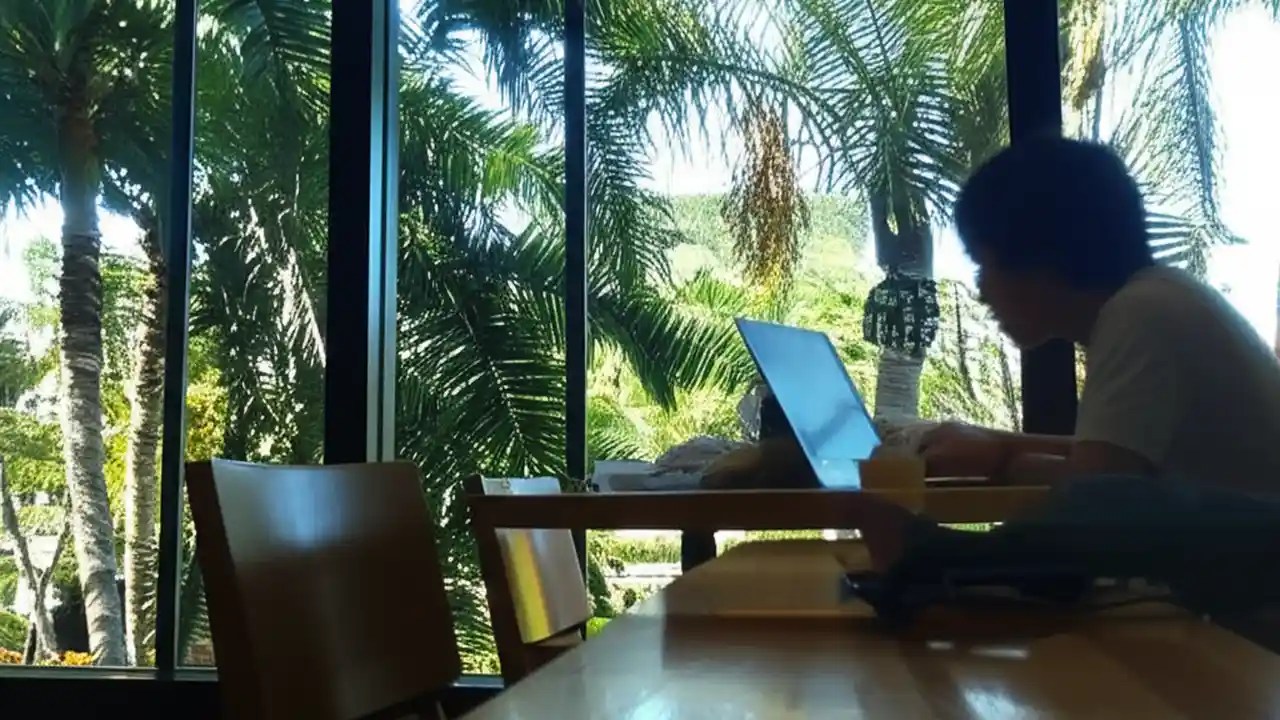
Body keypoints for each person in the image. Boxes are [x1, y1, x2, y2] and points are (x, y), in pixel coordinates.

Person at [919, 136, 1280, 496]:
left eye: (984, 265)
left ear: (1041, 258)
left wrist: (1000, 460)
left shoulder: (1140, 316)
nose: (982, 292)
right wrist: (993, 444)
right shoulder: (1165, 295)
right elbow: (1106, 454)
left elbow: (1099, 496)